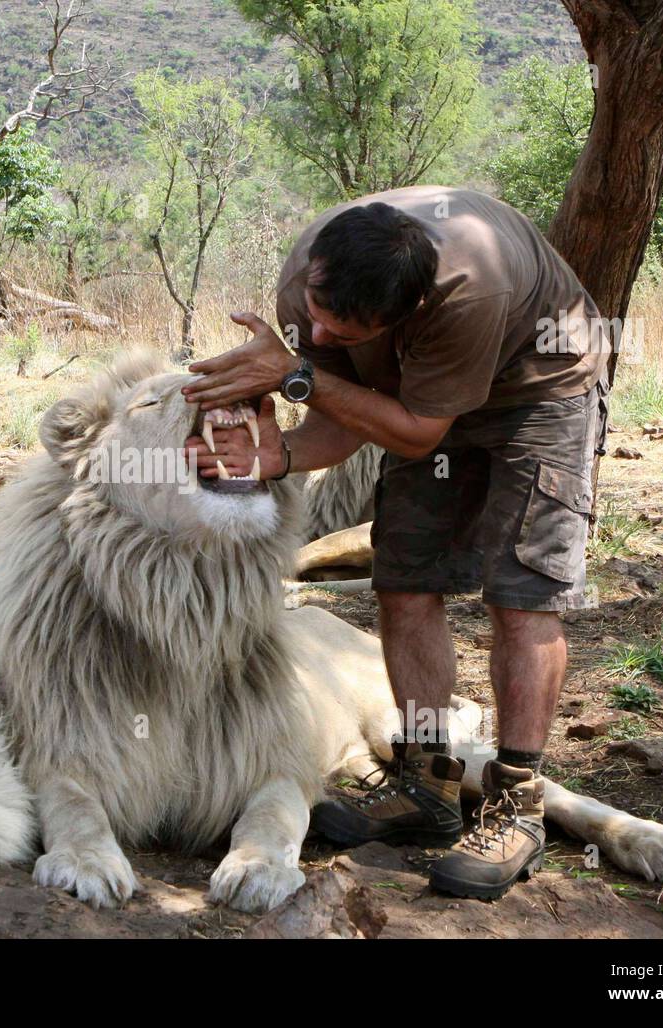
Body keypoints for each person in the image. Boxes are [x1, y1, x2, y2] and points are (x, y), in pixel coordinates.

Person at [181, 185, 609, 899]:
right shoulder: (310, 280)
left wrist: (295, 374)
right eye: (311, 322)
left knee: (522, 594)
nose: (314, 337)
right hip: (421, 399)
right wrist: (276, 456)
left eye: (342, 337)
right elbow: (344, 413)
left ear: (407, 315)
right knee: (405, 579)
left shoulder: (469, 293)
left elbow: (414, 429)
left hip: (539, 390)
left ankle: (517, 807)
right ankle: (427, 785)